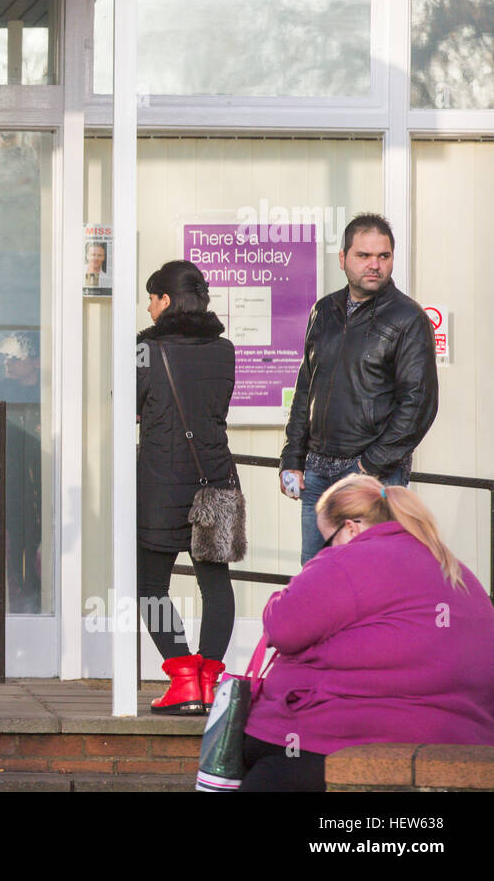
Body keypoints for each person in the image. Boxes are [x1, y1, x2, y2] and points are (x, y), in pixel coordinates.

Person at [240, 474, 494, 792]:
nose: (325, 550)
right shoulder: (456, 570)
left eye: (326, 539)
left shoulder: (352, 558)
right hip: (461, 741)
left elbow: (283, 626)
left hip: (329, 744)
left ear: (350, 527)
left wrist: (280, 596)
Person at [279, 213, 439, 565]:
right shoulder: (323, 311)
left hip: (372, 474)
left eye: (383, 256)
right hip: (318, 470)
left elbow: (418, 404)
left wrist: (369, 466)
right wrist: (292, 458)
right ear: (343, 258)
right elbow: (306, 387)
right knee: (315, 572)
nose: (375, 265)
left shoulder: (408, 318)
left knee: (370, 574)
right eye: (364, 256)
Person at [135, 260, 237, 715]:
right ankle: (210, 679)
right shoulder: (225, 350)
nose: (150, 308)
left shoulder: (146, 349)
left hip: (160, 482)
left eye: (152, 298)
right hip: (215, 480)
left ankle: (182, 679)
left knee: (151, 584)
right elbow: (216, 408)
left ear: (167, 300)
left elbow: (132, 407)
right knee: (215, 585)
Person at [0, 331, 43, 614]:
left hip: (42, 473)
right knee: (12, 541)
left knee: (38, 541)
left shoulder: (48, 393)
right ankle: (17, 603)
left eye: (16, 356)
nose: (8, 361)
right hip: (7, 474)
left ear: (36, 361)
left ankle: (37, 598)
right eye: (5, 355)